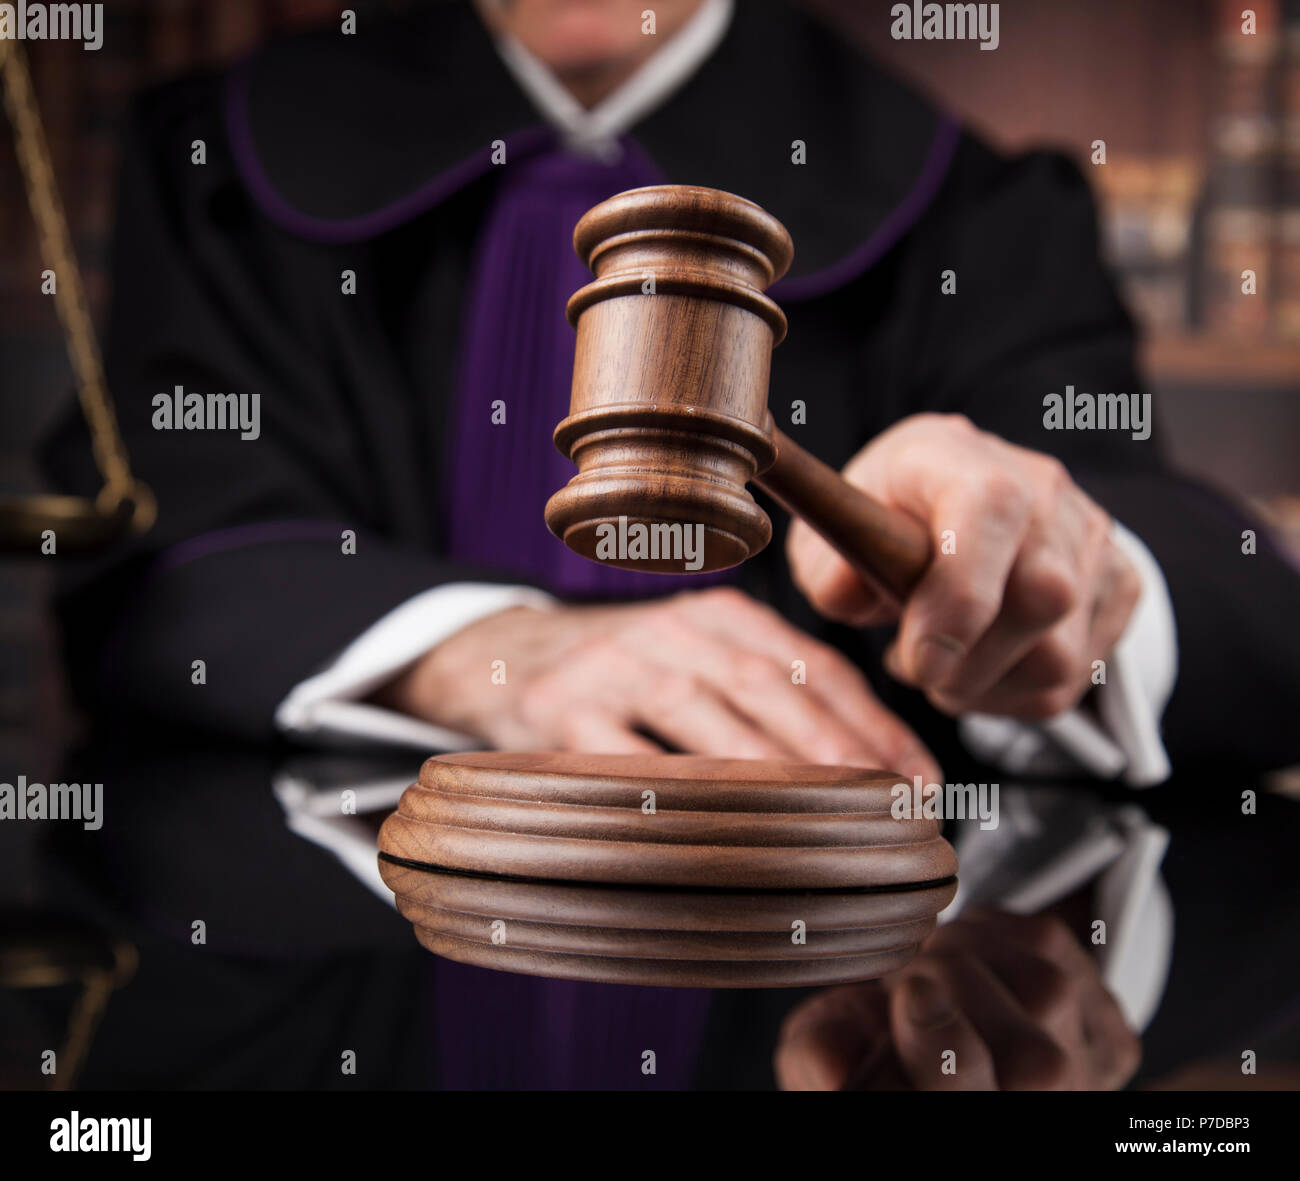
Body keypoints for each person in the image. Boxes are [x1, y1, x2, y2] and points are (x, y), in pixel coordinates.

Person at [43, 0, 1300, 1089]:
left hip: (816, 1001)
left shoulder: (971, 206)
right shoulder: (225, 151)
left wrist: (1073, 574)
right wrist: (492, 647)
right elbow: (161, 541)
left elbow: (1233, 604)